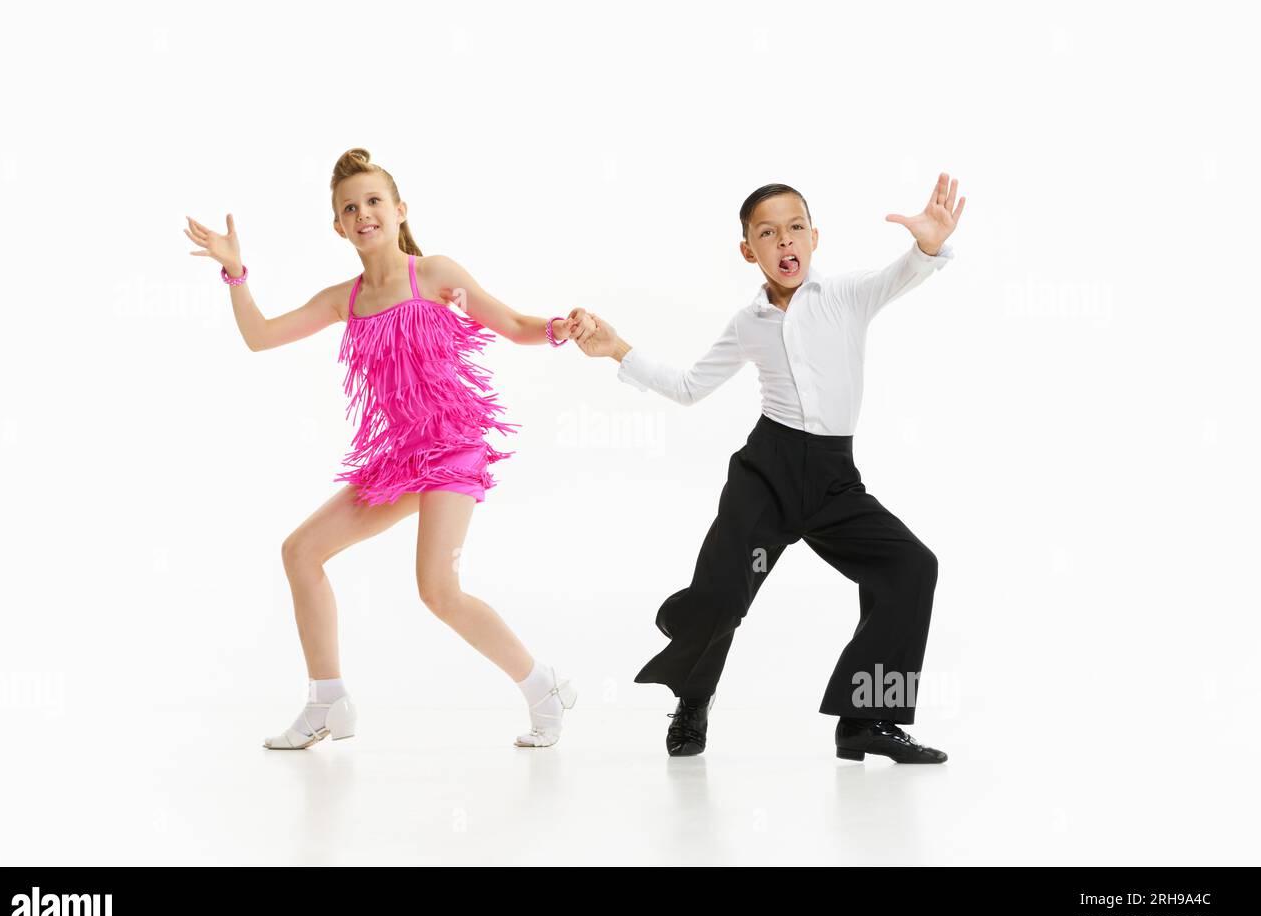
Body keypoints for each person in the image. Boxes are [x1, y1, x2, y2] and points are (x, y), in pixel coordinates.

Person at [184, 147, 579, 751]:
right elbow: (260, 338)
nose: (363, 212)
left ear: (399, 211)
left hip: (451, 446)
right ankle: (327, 700)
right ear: (338, 226)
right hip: (399, 458)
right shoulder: (343, 299)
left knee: (438, 591)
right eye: (350, 207)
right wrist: (235, 273)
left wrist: (560, 329)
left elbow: (514, 324)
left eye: (374, 201)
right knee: (301, 552)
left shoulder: (437, 274)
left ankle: (541, 686)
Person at [567, 174, 966, 762]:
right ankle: (692, 702)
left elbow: (902, 275)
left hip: (834, 479)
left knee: (911, 569)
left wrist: (927, 245)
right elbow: (687, 386)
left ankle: (865, 721)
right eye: (769, 233)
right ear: (747, 250)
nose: (786, 242)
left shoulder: (848, 295)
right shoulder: (748, 322)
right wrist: (618, 348)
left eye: (796, 228)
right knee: (726, 596)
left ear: (814, 237)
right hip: (767, 473)